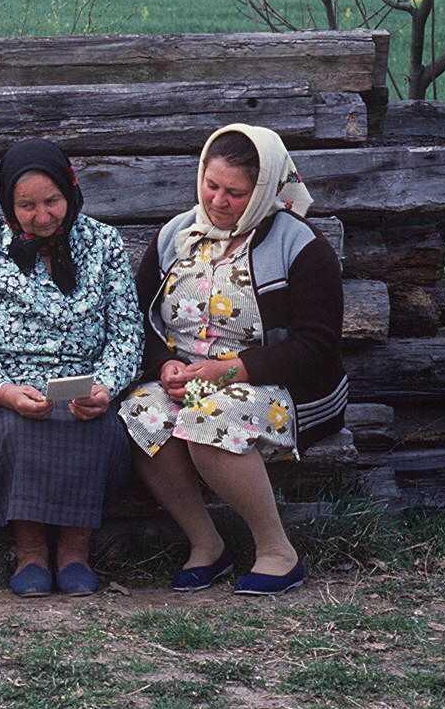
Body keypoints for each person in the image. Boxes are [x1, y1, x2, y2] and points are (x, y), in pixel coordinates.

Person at [119, 123, 346, 596]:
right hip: (187, 379)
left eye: (236, 193)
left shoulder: (300, 247)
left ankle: (277, 551)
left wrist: (229, 370)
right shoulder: (175, 236)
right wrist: (165, 365)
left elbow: (316, 347)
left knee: (211, 419)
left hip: (281, 387)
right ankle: (207, 545)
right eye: (211, 185)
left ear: (265, 192)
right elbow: (137, 319)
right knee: (141, 414)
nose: (218, 201)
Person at [0, 139, 142, 597]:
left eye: (52, 201)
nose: (43, 216)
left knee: (92, 424)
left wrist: (106, 387)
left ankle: (75, 551)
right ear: (8, 204)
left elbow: (128, 334)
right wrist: (3, 389)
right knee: (19, 426)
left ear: (70, 193)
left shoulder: (103, 243)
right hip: (1, 391)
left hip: (85, 386)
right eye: (27, 205)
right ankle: (30, 551)